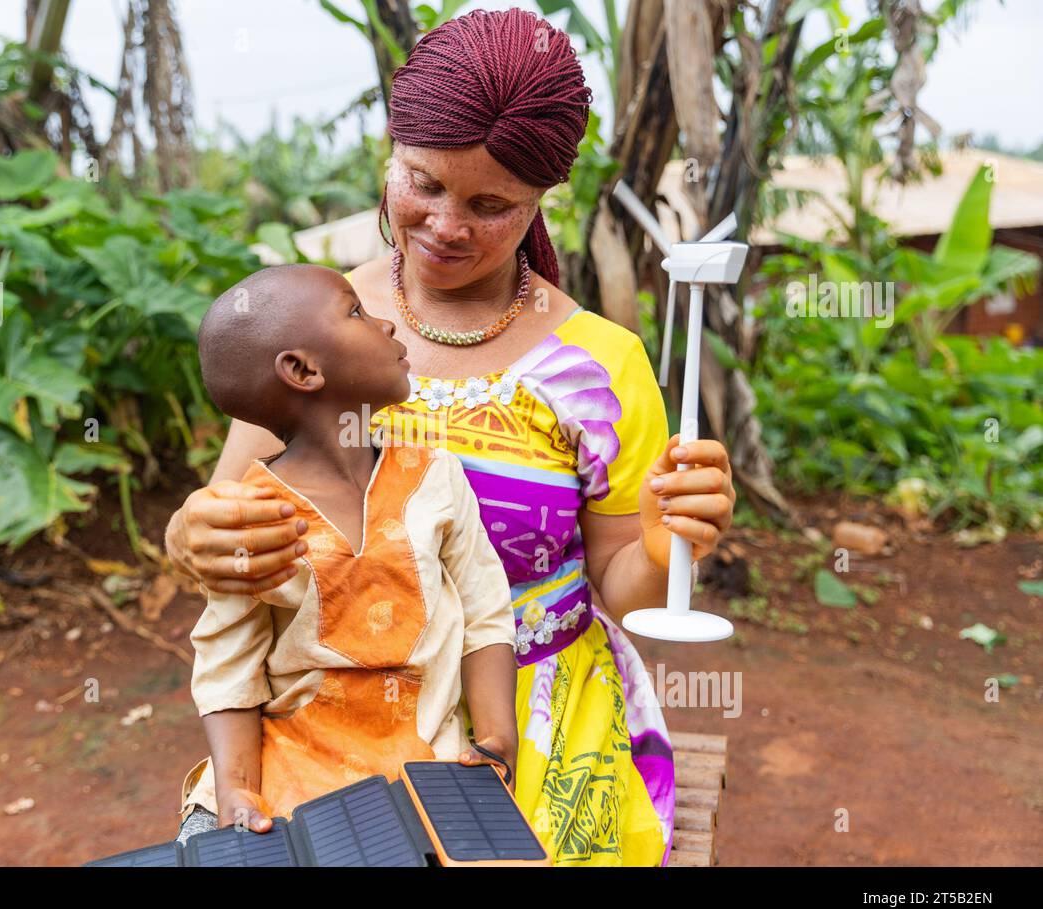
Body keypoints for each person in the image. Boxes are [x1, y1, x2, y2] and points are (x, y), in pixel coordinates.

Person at [165, 8, 736, 865]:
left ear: (543, 197)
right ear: (390, 157)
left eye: (491, 205)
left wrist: (662, 546)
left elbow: (626, 593)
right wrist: (192, 537)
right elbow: (233, 514)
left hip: (536, 715)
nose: (446, 225)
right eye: (422, 183)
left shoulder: (601, 365)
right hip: (334, 703)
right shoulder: (314, 325)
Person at [177, 264, 519, 843]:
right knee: (220, 845)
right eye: (356, 312)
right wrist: (238, 791)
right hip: (292, 769)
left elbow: (486, 615)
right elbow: (227, 665)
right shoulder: (254, 515)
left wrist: (496, 739)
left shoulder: (436, 478)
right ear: (303, 370)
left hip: (425, 767)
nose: (385, 324)